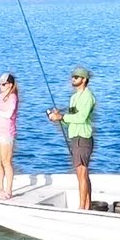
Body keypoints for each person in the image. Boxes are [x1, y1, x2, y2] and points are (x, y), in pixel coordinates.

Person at [48, 66, 96, 210]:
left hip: (83, 138)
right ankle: (86, 205)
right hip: (75, 138)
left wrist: (62, 116)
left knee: (82, 173)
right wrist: (58, 118)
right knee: (82, 173)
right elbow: (71, 118)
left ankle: (82, 207)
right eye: (72, 77)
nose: (73, 79)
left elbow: (81, 118)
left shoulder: (88, 96)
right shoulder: (74, 97)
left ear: (84, 80)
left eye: (76, 77)